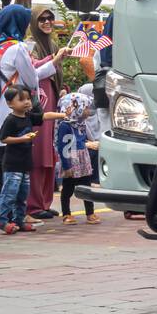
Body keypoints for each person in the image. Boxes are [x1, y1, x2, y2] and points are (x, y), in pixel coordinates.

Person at [0, 5, 69, 227]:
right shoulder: (18, 48)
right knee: (11, 162)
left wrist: (52, 63)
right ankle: (12, 212)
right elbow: (31, 80)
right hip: (11, 107)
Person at [0, 87, 63, 234]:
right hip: (12, 165)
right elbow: (4, 138)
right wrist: (23, 139)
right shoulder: (10, 120)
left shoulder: (28, 117)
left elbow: (45, 116)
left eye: (28, 98)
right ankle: (2, 221)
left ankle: (18, 220)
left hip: (25, 164)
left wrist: (63, 114)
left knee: (22, 195)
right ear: (10, 104)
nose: (26, 102)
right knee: (9, 194)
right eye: (21, 99)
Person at [25, 8, 63, 220]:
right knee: (38, 153)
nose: (47, 22)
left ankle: (45, 201)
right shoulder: (31, 44)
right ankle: (34, 204)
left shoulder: (52, 43)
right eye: (42, 19)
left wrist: (62, 88)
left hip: (52, 100)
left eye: (50, 18)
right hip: (39, 102)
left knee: (49, 152)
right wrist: (54, 60)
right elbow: (33, 73)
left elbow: (56, 76)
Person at [55, 89, 99, 224]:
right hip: (71, 160)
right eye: (85, 108)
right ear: (76, 108)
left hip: (82, 159)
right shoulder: (65, 126)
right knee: (68, 188)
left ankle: (90, 213)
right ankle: (66, 214)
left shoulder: (80, 124)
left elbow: (82, 141)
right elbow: (63, 147)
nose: (88, 111)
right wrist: (67, 166)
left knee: (86, 187)